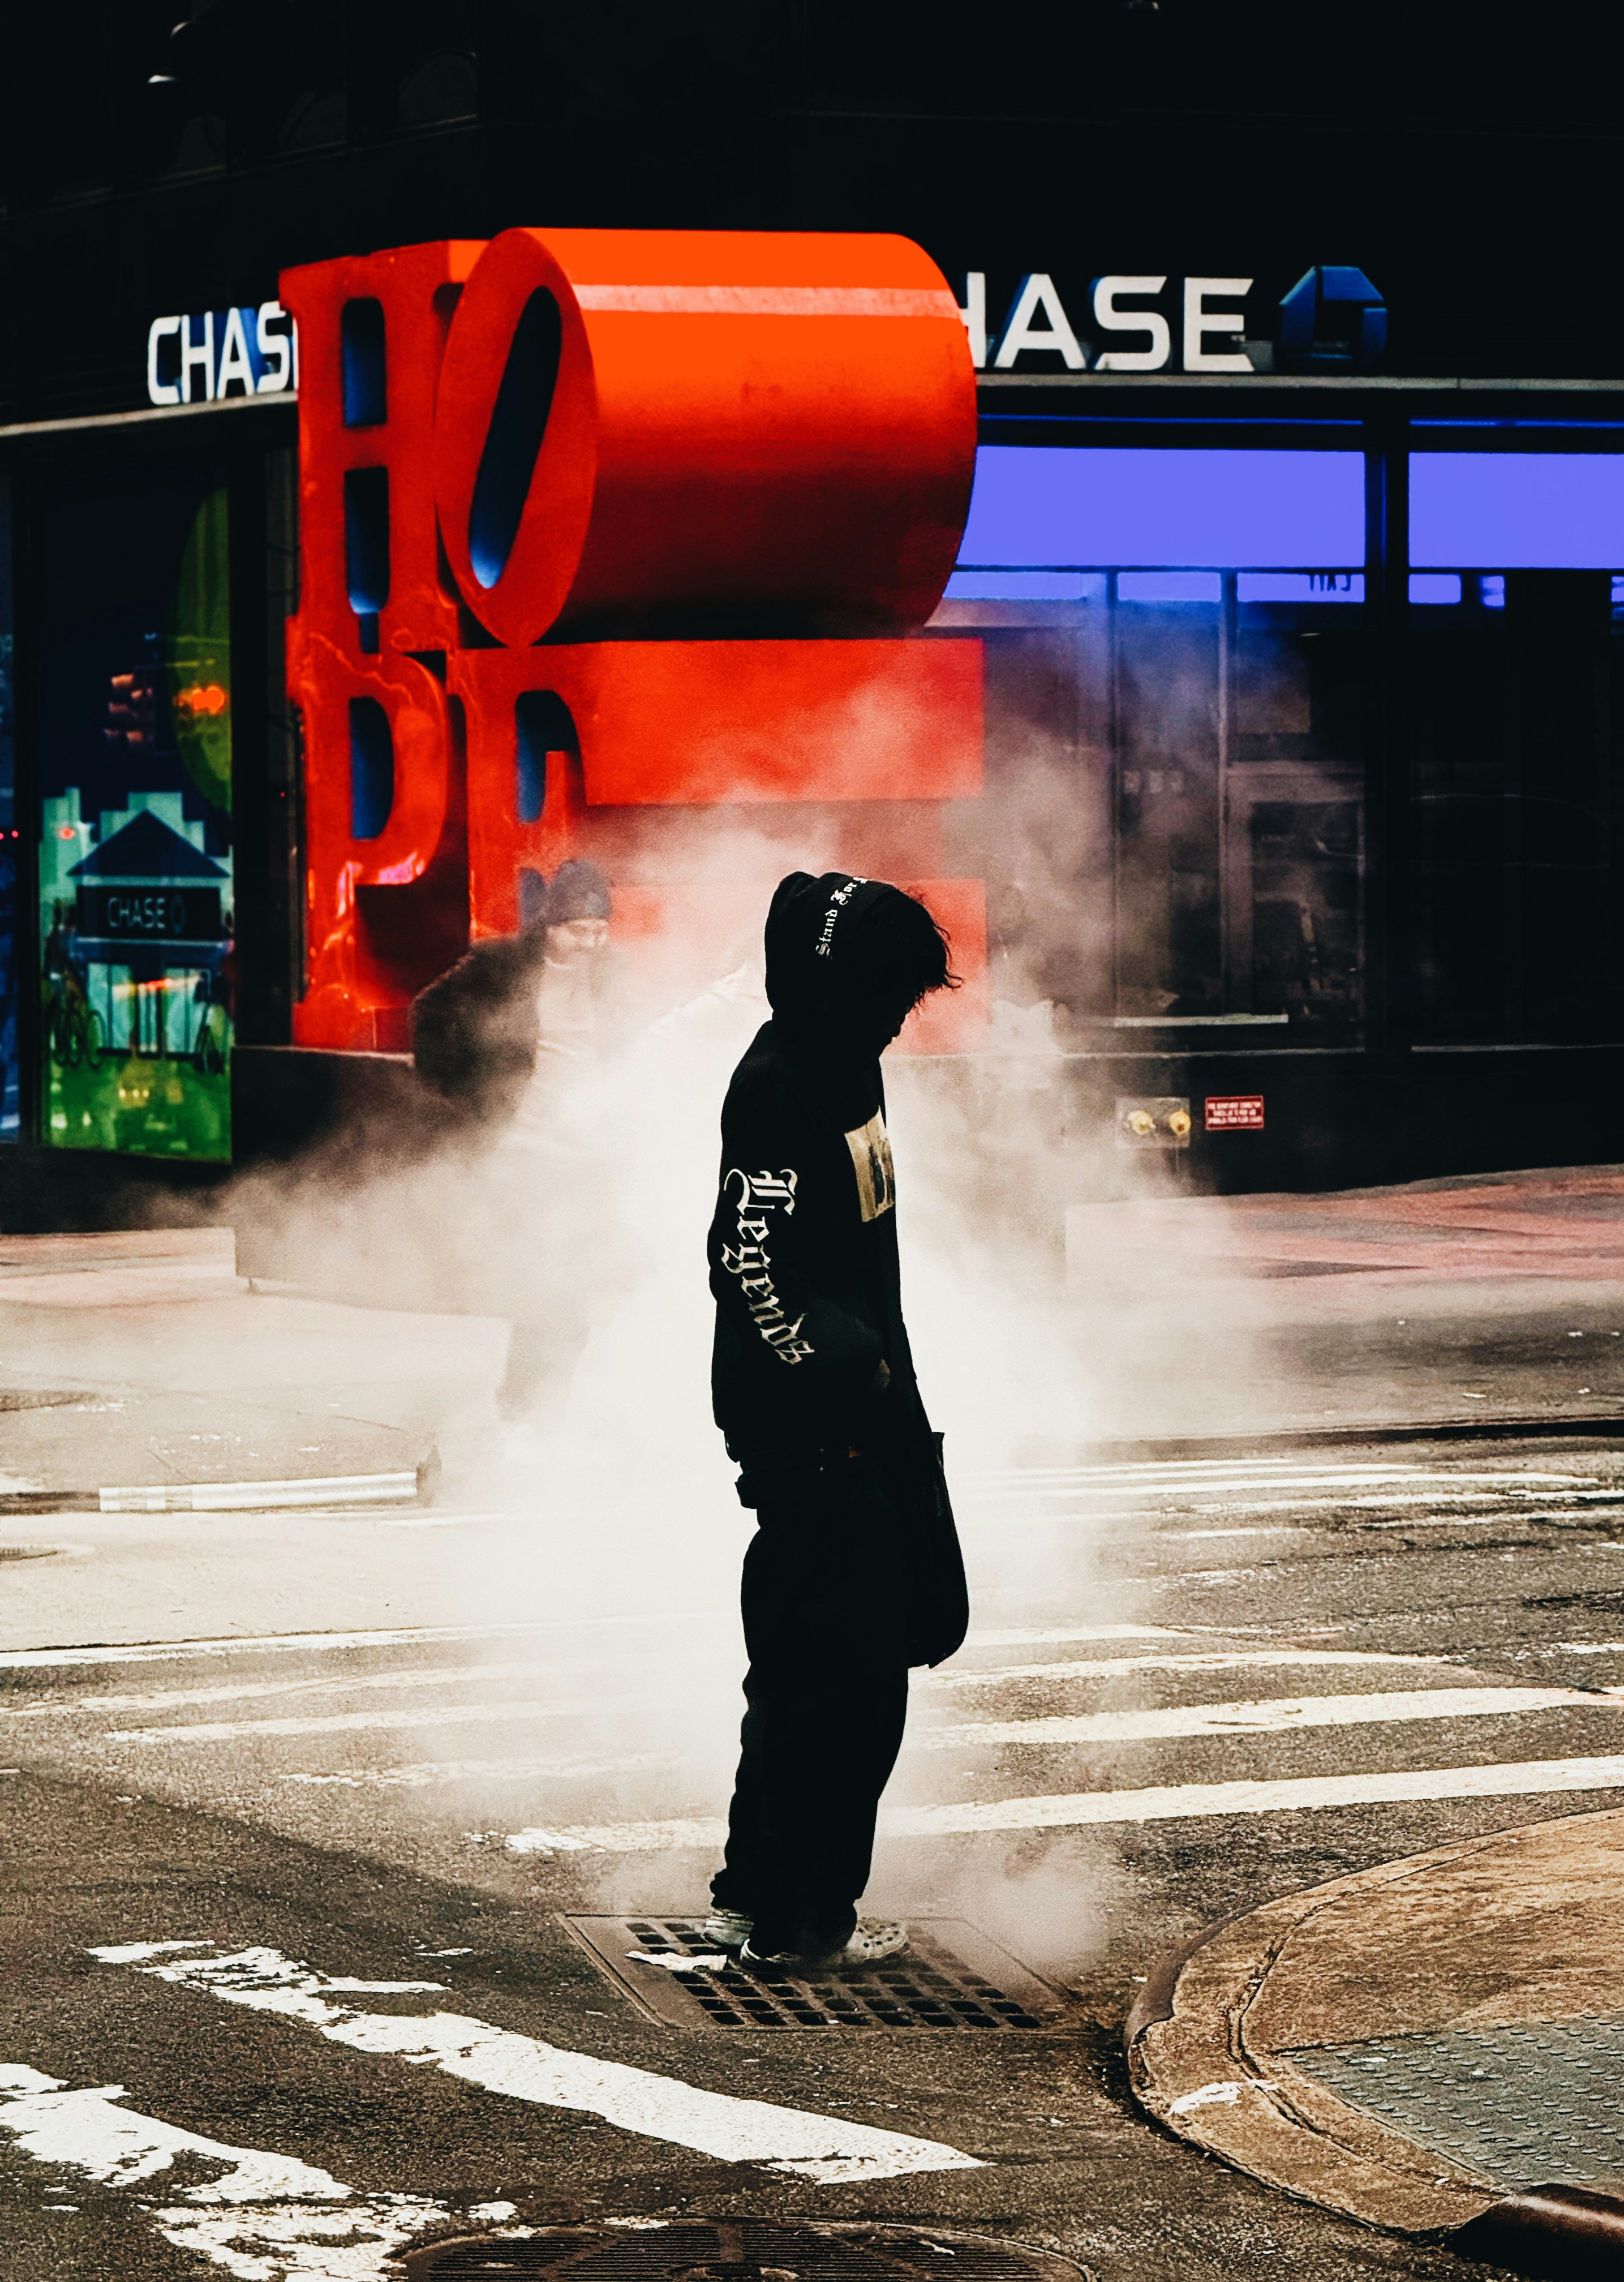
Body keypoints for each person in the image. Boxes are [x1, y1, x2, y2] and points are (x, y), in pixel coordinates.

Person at [702, 870, 969, 1971]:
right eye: (889, 1001)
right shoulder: (781, 1086)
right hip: (811, 1428)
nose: (901, 1024)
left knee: (808, 1662)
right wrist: (852, 1365)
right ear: (840, 988)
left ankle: (759, 1887)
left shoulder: (844, 1060)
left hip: (861, 1419)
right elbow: (746, 1264)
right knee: (848, 1685)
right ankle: (804, 1918)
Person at [411, 859, 620, 1423]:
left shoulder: (610, 975)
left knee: (574, 1297)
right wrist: (468, 1091)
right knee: (550, 1292)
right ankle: (525, 1415)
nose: (591, 943)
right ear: (550, 927)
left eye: (600, 930)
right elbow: (428, 1012)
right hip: (527, 1154)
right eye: (579, 930)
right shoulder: (500, 966)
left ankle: (538, 1412)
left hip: (588, 1158)